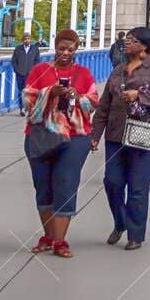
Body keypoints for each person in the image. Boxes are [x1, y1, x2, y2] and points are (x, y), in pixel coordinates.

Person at [91, 25, 150, 251]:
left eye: (132, 40)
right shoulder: (118, 70)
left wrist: (140, 95)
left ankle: (136, 235)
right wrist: (95, 134)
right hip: (115, 134)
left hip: (143, 134)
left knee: (138, 187)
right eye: (127, 39)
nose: (127, 43)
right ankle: (120, 223)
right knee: (112, 182)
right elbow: (104, 105)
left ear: (144, 46)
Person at [22, 28, 98, 258]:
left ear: (76, 51)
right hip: (41, 136)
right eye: (62, 49)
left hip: (75, 137)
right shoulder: (39, 70)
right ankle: (49, 236)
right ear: (54, 48)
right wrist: (49, 92)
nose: (66, 53)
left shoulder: (83, 73)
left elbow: (93, 103)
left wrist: (76, 96)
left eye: (71, 50)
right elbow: (27, 100)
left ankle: (59, 241)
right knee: (43, 186)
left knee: (66, 182)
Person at [11, 27, 41, 115]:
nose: (27, 40)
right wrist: (16, 70)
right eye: (25, 39)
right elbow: (14, 61)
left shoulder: (35, 49)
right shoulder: (18, 49)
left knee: (29, 91)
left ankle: (29, 107)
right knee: (21, 91)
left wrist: (33, 71)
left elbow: (37, 61)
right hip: (20, 74)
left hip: (30, 74)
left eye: (28, 38)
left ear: (30, 39)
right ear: (23, 40)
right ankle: (22, 108)